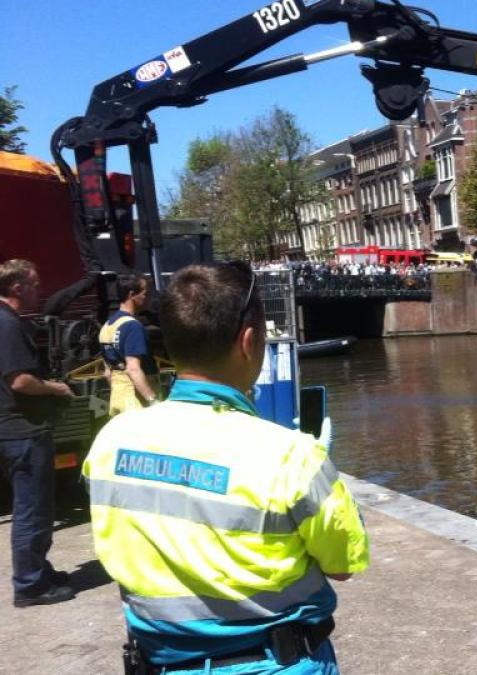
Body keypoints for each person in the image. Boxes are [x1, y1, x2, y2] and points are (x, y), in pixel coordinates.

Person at [83, 262, 369, 674]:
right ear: (249, 341)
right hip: (275, 663)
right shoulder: (290, 456)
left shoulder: (110, 442)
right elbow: (342, 565)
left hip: (162, 664)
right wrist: (328, 483)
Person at [0, 259, 76, 608]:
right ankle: (30, 586)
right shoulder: (7, 325)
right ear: (17, 288)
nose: (39, 290)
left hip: (17, 430)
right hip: (23, 431)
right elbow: (20, 380)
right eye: (34, 284)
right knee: (31, 510)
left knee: (37, 508)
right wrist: (56, 388)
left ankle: (38, 571)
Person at [99, 275, 159, 415]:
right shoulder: (133, 326)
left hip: (117, 399)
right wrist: (153, 401)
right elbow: (133, 369)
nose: (148, 298)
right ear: (132, 295)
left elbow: (108, 373)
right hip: (136, 402)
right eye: (145, 294)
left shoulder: (107, 326)